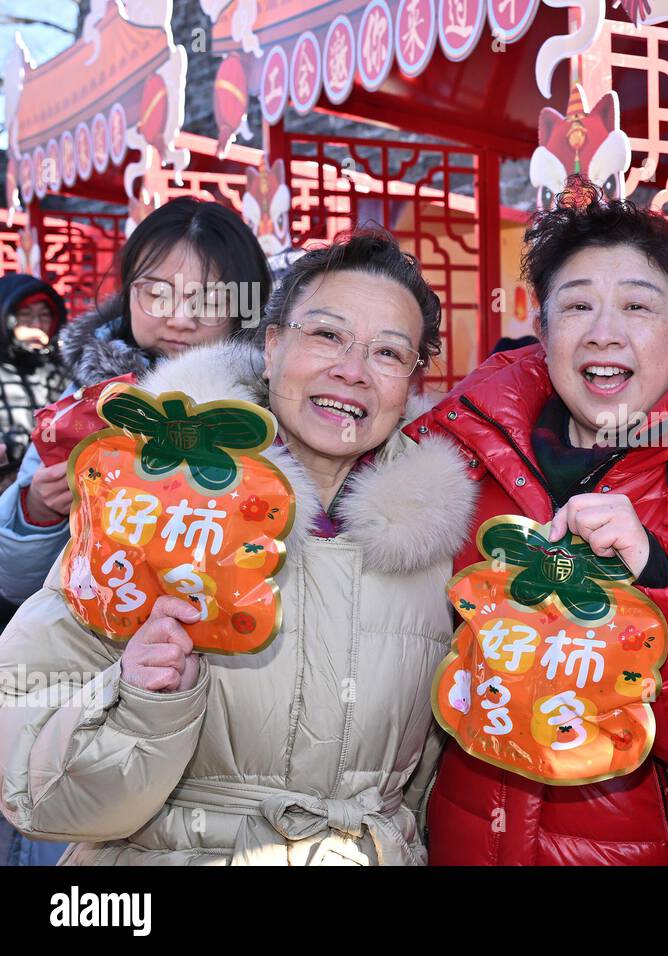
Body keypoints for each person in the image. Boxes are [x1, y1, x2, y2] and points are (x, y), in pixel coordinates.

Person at [0, 229, 477, 864]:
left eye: (389, 352)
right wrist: (139, 701)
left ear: (413, 378)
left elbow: (424, 792)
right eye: (327, 335)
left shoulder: (437, 540)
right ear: (273, 344)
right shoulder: (155, 490)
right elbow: (37, 793)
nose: (352, 370)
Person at [407, 179, 668, 865]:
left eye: (638, 307)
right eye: (578, 304)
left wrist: (655, 577)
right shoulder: (465, 459)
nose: (603, 331)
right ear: (544, 327)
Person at [0, 197, 273, 608]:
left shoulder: (270, 407)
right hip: (104, 648)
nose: (181, 318)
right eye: (158, 294)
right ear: (128, 290)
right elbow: (16, 585)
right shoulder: (84, 404)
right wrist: (36, 512)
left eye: (211, 300)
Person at [0, 274, 68, 498]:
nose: (37, 326)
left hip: (53, 494)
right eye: (26, 316)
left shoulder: (68, 374)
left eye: (44, 316)